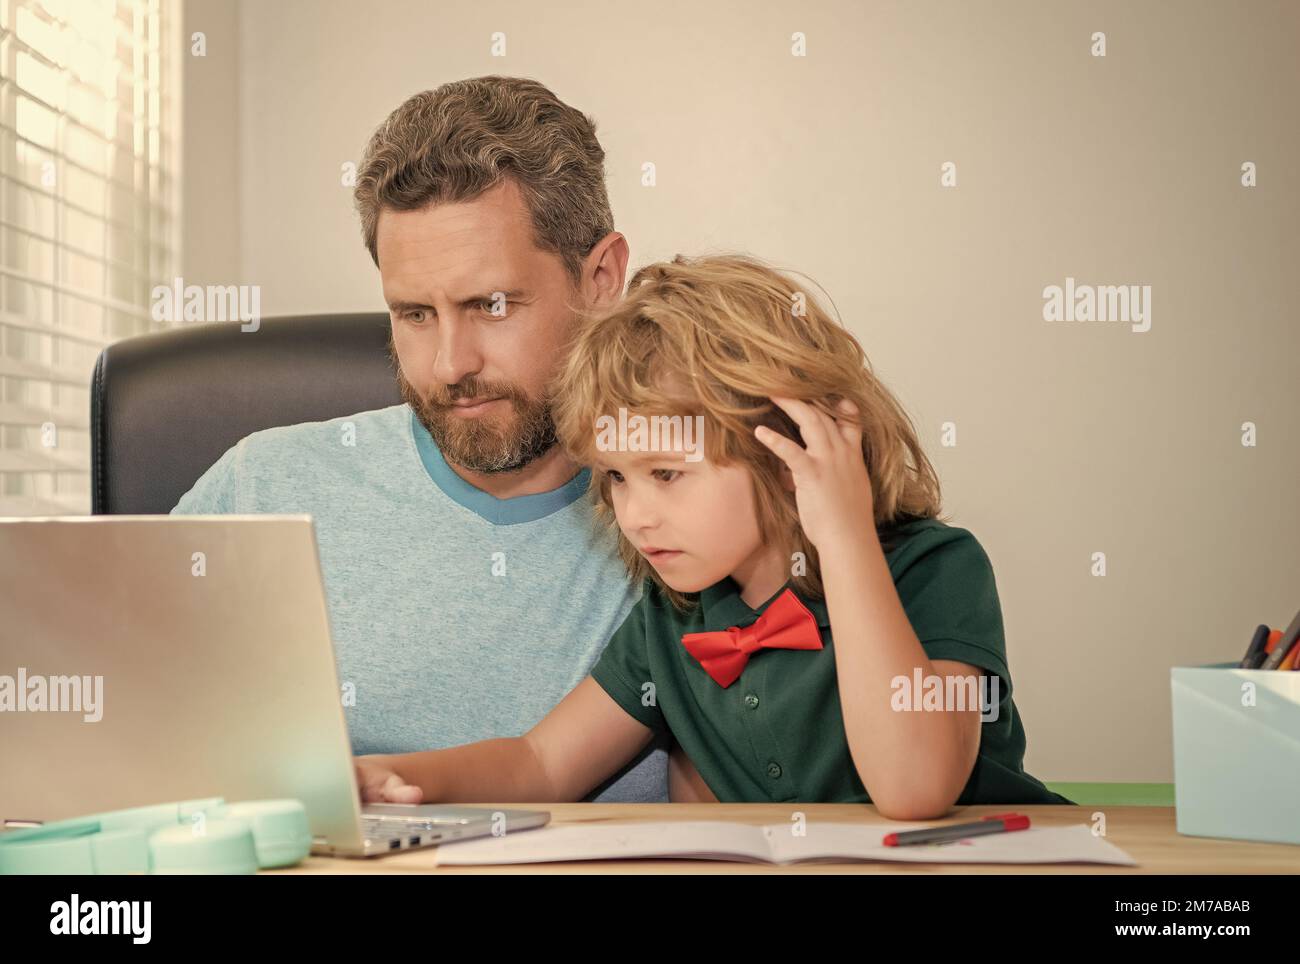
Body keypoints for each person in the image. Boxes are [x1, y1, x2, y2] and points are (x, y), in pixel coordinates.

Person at [355, 254, 1071, 816]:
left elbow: (915, 787)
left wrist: (844, 535)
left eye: (666, 473)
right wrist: (386, 778)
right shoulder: (673, 621)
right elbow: (540, 764)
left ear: (789, 449)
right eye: (615, 478)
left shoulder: (936, 571)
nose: (634, 515)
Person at [172, 76, 669, 802]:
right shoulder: (262, 488)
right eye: (414, 314)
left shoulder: (692, 508)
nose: (449, 366)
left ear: (600, 279)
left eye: (490, 306)